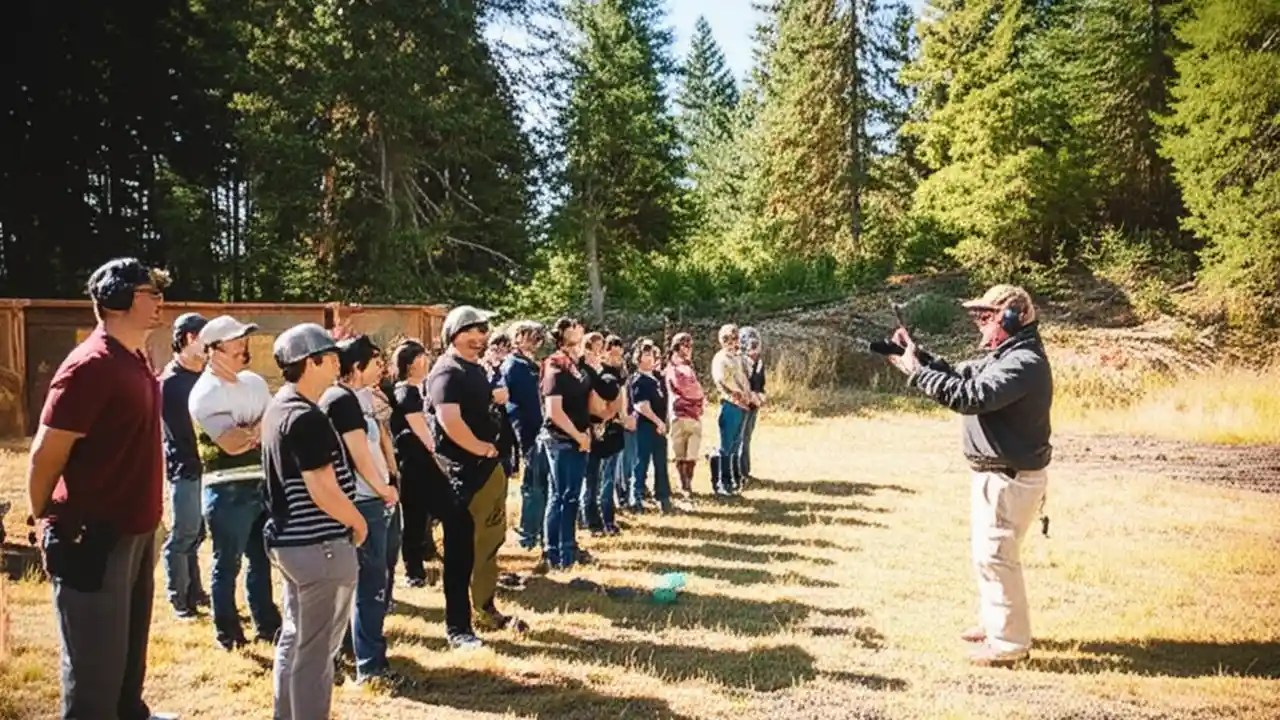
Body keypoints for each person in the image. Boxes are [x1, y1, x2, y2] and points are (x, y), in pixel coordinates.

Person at [27, 257, 172, 720]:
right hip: (92, 538)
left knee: (127, 665)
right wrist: (47, 521)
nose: (160, 302)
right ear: (116, 299)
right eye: (151, 292)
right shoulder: (88, 366)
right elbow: (45, 455)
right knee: (94, 676)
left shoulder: (135, 359)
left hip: (136, 533)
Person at [887, 284, 1053, 667]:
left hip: (1008, 478)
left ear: (1013, 317)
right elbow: (960, 374)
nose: (979, 323)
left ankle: (1009, 644)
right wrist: (919, 358)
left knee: (996, 556)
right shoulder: (1007, 356)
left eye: (988, 316)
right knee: (988, 555)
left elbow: (970, 396)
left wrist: (917, 373)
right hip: (999, 475)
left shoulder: (1023, 362)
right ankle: (995, 623)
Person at [261, 323, 364, 719]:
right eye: (331, 356)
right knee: (317, 654)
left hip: (294, 546)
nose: (338, 363)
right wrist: (358, 522)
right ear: (310, 362)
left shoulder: (280, 406)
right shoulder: (306, 417)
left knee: (295, 639)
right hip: (319, 546)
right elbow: (322, 487)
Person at [428, 306, 527, 634]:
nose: (478, 337)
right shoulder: (447, 371)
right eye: (470, 330)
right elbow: (449, 420)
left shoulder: (474, 368)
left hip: (488, 469)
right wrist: (480, 448)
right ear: (453, 333)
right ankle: (473, 613)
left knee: (491, 539)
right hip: (466, 472)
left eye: (482, 330)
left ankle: (484, 605)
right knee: (471, 547)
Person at [188, 315, 282, 651]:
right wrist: (256, 428)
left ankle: (267, 624)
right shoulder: (204, 392)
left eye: (243, 340)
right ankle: (227, 630)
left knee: (261, 559)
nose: (243, 347)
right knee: (227, 562)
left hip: (259, 483)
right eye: (235, 342)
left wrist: (252, 430)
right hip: (226, 489)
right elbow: (230, 442)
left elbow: (270, 427)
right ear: (213, 350)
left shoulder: (254, 383)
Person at [320, 336, 400, 684]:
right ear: (356, 368)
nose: (382, 366)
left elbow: (380, 436)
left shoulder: (362, 397)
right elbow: (358, 454)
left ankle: (355, 652)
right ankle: (370, 667)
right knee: (369, 583)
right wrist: (385, 490)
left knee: (373, 579)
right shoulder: (341, 401)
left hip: (376, 496)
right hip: (363, 501)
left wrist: (391, 477)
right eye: (375, 361)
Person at [160, 311, 211, 620]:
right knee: (183, 534)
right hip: (185, 468)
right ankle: (179, 598)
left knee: (197, 533)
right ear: (190, 339)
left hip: (207, 467)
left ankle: (195, 590)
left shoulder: (203, 378)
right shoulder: (171, 383)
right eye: (206, 342)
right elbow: (181, 433)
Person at [388, 341, 445, 590]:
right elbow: (421, 429)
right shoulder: (406, 392)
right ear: (411, 364)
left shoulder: (420, 390)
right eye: (423, 358)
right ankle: (414, 570)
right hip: (413, 463)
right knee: (413, 518)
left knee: (426, 516)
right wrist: (438, 453)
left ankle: (425, 555)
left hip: (423, 462)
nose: (428, 361)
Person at [539, 317, 592, 570]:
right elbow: (554, 411)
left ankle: (569, 548)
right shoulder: (555, 365)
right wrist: (577, 435)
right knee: (561, 496)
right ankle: (555, 552)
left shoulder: (575, 365)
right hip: (561, 439)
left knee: (571, 496)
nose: (579, 330)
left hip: (579, 438)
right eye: (573, 328)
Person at [502, 320, 549, 553]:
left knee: (542, 484)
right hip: (529, 432)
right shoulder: (514, 366)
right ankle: (529, 534)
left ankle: (540, 532)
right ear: (518, 337)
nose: (536, 341)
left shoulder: (531, 365)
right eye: (531, 336)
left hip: (541, 429)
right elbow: (514, 406)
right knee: (533, 485)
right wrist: (523, 437)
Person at [581, 334, 628, 535]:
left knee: (605, 477)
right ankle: (590, 520)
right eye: (594, 349)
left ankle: (606, 518)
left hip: (609, 427)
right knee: (591, 479)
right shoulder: (585, 373)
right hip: (591, 427)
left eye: (600, 348)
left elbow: (618, 396)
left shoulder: (607, 373)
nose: (597, 353)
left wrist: (615, 415)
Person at [628, 339, 673, 513]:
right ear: (638, 358)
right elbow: (641, 406)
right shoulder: (639, 380)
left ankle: (663, 496)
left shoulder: (657, 378)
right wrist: (657, 421)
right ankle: (636, 497)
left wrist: (665, 421)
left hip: (659, 427)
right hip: (645, 427)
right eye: (646, 354)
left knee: (661, 462)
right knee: (641, 462)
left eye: (652, 354)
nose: (650, 357)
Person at [710, 323, 751, 496]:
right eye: (727, 338)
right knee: (725, 446)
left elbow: (748, 375)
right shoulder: (721, 358)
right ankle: (722, 482)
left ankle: (734, 480)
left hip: (742, 405)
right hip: (730, 405)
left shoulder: (738, 357)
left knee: (736, 444)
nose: (731, 341)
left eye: (734, 338)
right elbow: (721, 382)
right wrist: (737, 397)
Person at [664, 332, 704, 498]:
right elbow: (689, 390)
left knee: (692, 452)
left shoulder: (688, 367)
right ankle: (684, 484)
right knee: (680, 452)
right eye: (684, 345)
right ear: (676, 347)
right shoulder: (673, 369)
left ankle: (688, 483)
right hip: (678, 414)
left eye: (690, 346)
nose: (688, 349)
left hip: (693, 415)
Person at [738, 327, 767, 484]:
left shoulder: (759, 362)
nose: (754, 351)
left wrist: (761, 395)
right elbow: (742, 384)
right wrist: (751, 397)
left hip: (753, 405)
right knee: (740, 438)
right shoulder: (740, 362)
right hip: (742, 404)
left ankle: (745, 471)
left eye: (756, 347)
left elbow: (760, 383)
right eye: (751, 347)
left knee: (747, 437)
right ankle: (738, 473)